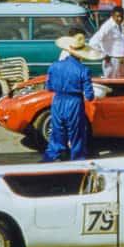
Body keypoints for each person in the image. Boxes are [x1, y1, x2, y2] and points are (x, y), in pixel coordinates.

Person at [42, 34, 100, 162]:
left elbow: (48, 87)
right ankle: (78, 160)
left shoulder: (55, 66)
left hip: (57, 101)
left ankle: (51, 157)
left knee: (57, 132)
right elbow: (89, 96)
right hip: (74, 102)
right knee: (76, 134)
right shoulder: (83, 70)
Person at [90, 6, 124, 78]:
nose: (119, 19)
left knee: (122, 85)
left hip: (122, 60)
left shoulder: (121, 25)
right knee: (111, 84)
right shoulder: (108, 26)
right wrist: (103, 54)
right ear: (112, 16)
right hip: (112, 61)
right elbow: (93, 42)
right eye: (117, 16)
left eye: (121, 16)